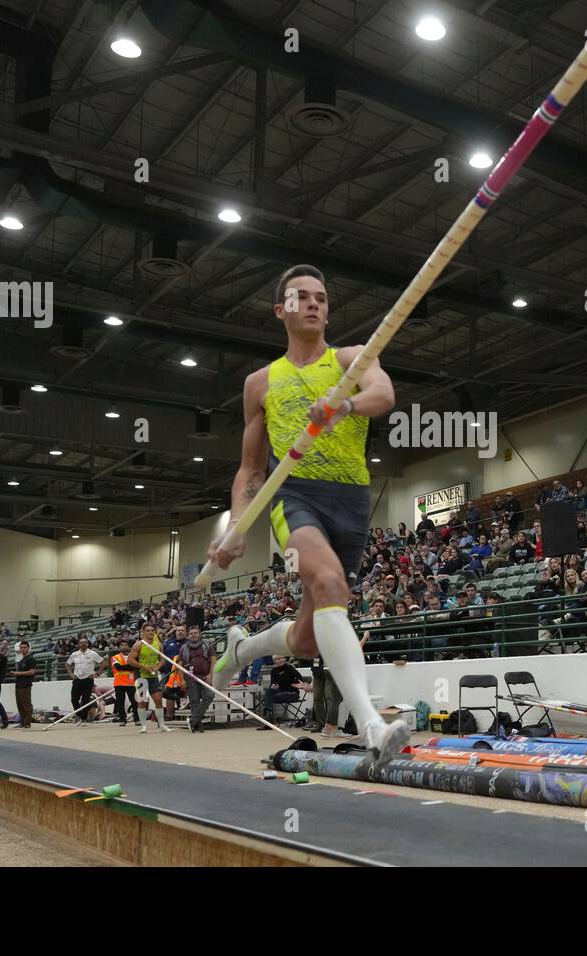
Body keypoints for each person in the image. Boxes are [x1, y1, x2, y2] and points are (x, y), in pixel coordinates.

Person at [207, 264, 410, 763]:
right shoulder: (261, 383)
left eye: (322, 297)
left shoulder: (349, 359)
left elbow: (384, 395)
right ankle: (371, 727)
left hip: (352, 500)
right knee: (330, 584)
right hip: (292, 496)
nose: (315, 304)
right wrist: (236, 526)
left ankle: (244, 649)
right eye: (303, 297)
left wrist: (344, 407)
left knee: (307, 639)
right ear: (282, 310)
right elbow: (251, 469)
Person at [131, 624, 172, 733]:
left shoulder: (158, 644)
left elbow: (163, 659)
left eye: (152, 630)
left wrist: (157, 667)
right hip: (141, 675)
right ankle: (144, 726)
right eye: (148, 630)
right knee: (142, 701)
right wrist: (144, 667)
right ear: (143, 632)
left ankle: (162, 725)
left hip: (153, 676)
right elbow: (130, 660)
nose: (150, 632)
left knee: (158, 700)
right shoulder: (138, 645)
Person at [179, 626, 217, 733]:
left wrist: (210, 674)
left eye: (196, 633)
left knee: (209, 695)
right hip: (190, 677)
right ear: (188, 636)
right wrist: (182, 679)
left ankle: (193, 720)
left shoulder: (207, 645)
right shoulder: (184, 648)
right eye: (191, 633)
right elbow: (180, 664)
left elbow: (213, 659)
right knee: (194, 700)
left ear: (200, 634)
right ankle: (198, 725)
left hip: (205, 676)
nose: (193, 635)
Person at [66, 637, 104, 725]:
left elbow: (103, 663)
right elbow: (67, 664)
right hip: (77, 679)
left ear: (87, 644)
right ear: (79, 644)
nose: (83, 644)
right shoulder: (74, 654)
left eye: (85, 642)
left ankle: (83, 719)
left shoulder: (93, 654)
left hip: (88, 679)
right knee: (74, 699)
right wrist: (71, 674)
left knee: (86, 700)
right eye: (81, 642)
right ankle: (82, 716)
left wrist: (97, 673)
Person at [259, 655, 305, 727]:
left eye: (282, 658)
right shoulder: (274, 671)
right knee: (269, 691)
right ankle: (268, 714)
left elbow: (300, 678)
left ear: (284, 659)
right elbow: (272, 683)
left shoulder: (289, 668)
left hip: (292, 693)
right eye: (278, 659)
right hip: (280, 693)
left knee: (269, 698)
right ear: (274, 661)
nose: (280, 660)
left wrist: (294, 683)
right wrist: (274, 685)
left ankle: (267, 716)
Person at [109, 639, 142, 728]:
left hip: (131, 682)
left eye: (126, 645)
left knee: (135, 702)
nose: (124, 647)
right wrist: (131, 666)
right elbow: (118, 667)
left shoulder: (134, 657)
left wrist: (130, 667)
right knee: (120, 702)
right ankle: (122, 719)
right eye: (122, 645)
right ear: (119, 647)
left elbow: (136, 667)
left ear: (129, 647)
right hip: (119, 683)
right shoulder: (115, 657)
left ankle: (137, 719)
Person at [9, 640, 36, 728]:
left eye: (25, 647)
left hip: (26, 685)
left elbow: (32, 672)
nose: (23, 649)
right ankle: (23, 722)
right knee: (20, 704)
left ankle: (27, 723)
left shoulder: (30, 659)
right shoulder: (21, 660)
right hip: (19, 684)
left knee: (26, 704)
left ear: (28, 648)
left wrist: (19, 673)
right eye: (21, 648)